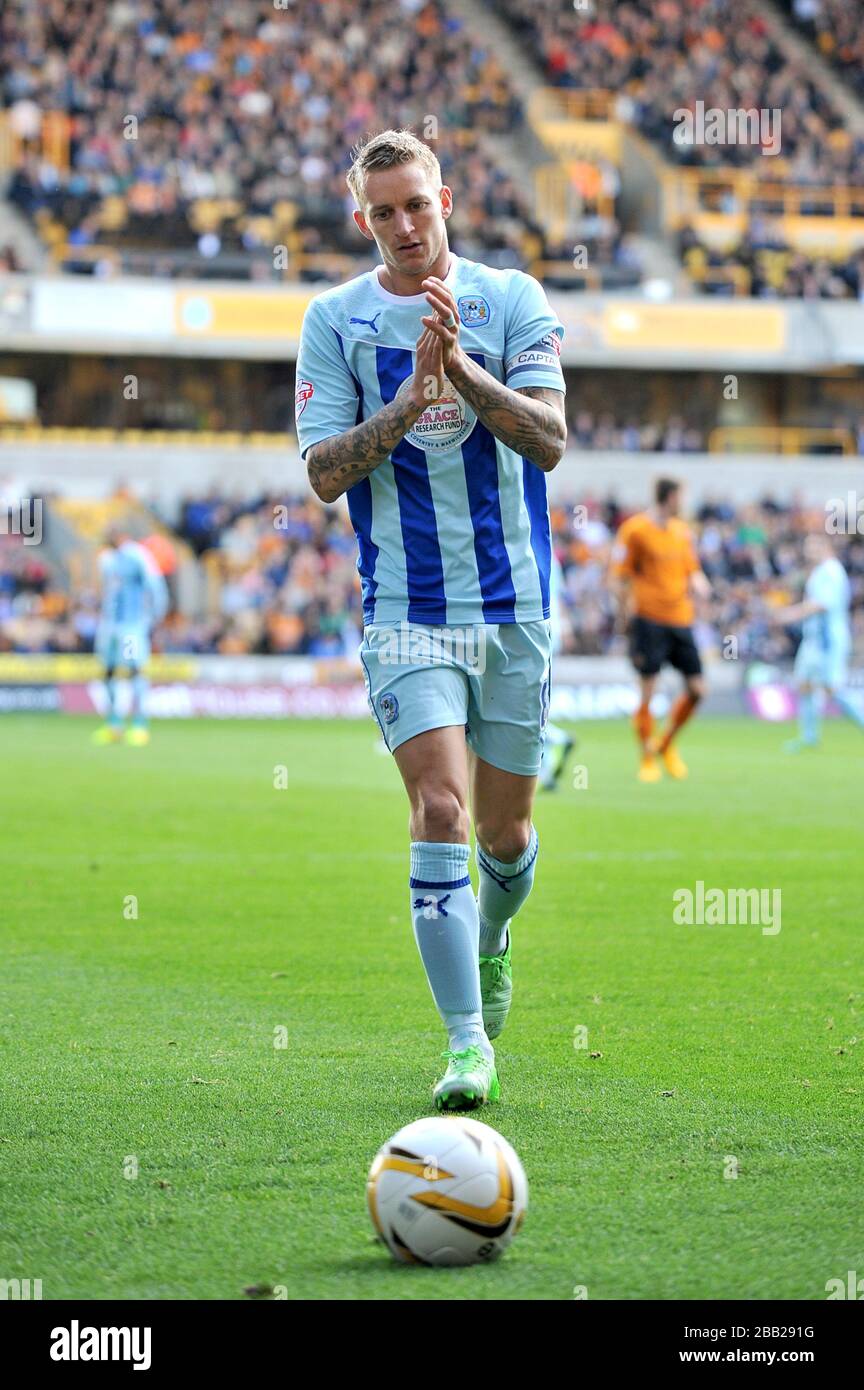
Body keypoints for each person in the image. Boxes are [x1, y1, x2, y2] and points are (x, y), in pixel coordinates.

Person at [295, 129, 567, 1111]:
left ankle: (492, 940)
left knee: (506, 830)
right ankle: (465, 1049)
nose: (405, 226)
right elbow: (324, 475)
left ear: (444, 197)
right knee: (441, 812)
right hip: (407, 610)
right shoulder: (333, 318)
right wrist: (411, 397)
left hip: (517, 607)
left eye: (418, 204)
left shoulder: (514, 298)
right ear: (362, 217)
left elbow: (550, 442)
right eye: (384, 212)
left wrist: (462, 374)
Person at [610, 478, 711, 782]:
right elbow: (620, 576)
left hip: (681, 619)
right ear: (669, 497)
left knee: (697, 690)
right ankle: (646, 758)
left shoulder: (683, 532)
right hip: (649, 619)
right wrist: (625, 613)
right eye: (681, 496)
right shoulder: (635, 530)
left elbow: (692, 571)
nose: (684, 502)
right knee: (648, 693)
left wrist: (702, 586)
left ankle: (665, 744)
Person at [773, 531, 864, 750]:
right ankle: (809, 736)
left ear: (825, 546)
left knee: (834, 689)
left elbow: (821, 604)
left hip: (828, 641)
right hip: (812, 640)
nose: (808, 550)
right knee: (804, 684)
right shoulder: (819, 572)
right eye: (807, 545)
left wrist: (788, 614)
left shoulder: (832, 571)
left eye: (813, 545)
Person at [92, 527, 169, 746]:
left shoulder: (138, 555)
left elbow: (155, 586)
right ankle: (114, 725)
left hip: (130, 626)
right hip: (109, 625)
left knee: (134, 670)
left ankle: (139, 725)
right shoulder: (106, 559)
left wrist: (156, 616)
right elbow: (106, 591)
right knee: (108, 671)